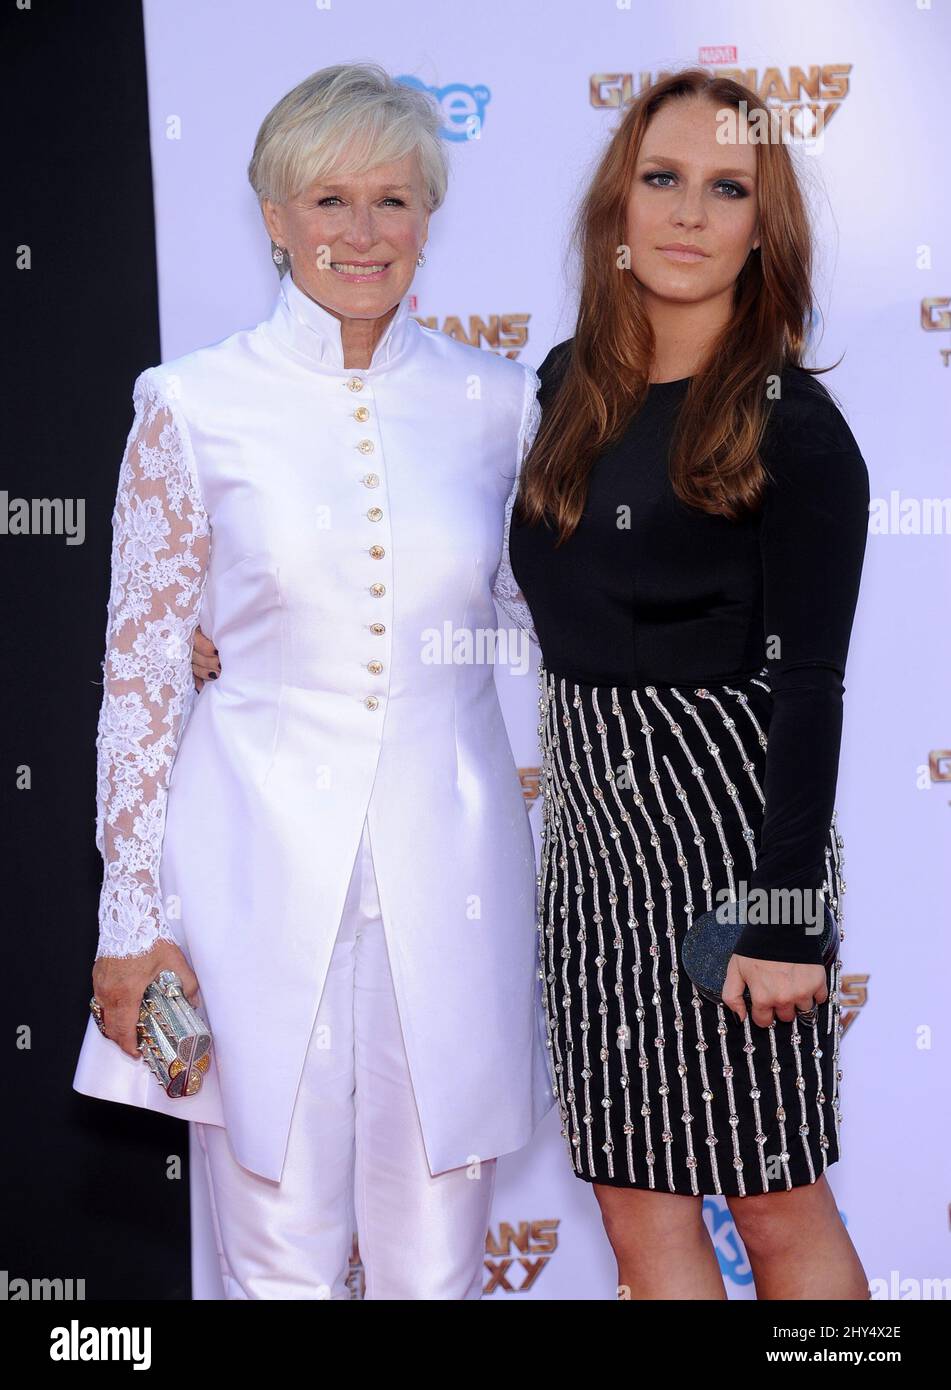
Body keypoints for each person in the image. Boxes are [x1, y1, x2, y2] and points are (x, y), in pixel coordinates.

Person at [73, 62, 552, 1301]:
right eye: (328, 199)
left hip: (453, 890)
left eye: (392, 201)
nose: (362, 232)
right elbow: (137, 678)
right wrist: (133, 922)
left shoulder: (498, 405)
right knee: (272, 1258)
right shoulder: (191, 406)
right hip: (246, 885)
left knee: (439, 1260)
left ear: (429, 218)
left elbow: (559, 629)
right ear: (274, 215)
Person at [501, 69, 871, 1300]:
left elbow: (811, 688)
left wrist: (780, 912)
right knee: (638, 1215)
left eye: (729, 190)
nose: (688, 213)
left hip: (732, 849)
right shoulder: (565, 389)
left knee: (773, 1206)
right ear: (620, 200)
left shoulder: (794, 428)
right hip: (593, 863)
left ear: (765, 229)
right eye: (663, 178)